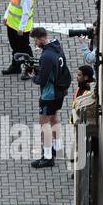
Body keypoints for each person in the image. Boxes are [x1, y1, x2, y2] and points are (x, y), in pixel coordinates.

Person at [30, 26, 71, 168]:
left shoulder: (46, 56)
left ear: (41, 38)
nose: (35, 43)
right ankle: (56, 146)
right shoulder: (57, 47)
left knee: (43, 123)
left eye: (35, 40)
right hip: (60, 91)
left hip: (49, 94)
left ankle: (47, 157)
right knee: (54, 118)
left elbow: (42, 79)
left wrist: (33, 76)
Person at [2, 0, 35, 75]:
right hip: (12, 24)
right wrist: (6, 16)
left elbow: (25, 13)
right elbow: (12, 3)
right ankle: (16, 67)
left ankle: (30, 69)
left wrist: (21, 28)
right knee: (15, 47)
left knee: (25, 48)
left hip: (21, 28)